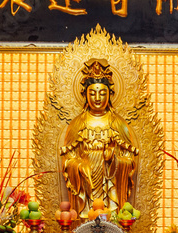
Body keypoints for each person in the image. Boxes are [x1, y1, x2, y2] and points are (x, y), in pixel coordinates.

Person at [60, 59, 139, 218]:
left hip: (110, 187)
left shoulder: (118, 124)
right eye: (92, 93)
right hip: (85, 185)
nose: (97, 97)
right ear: (84, 94)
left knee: (110, 218)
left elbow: (130, 159)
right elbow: (68, 159)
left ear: (110, 95)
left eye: (102, 93)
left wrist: (114, 160)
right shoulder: (77, 124)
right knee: (86, 219)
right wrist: (79, 166)